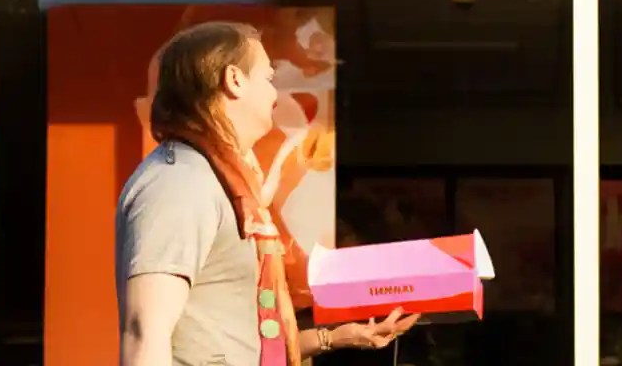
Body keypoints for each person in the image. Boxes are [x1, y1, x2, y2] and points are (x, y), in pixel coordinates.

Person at [116, 20, 418, 366]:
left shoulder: (219, 183)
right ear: (234, 79)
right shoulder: (180, 182)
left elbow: (238, 340)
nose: (276, 93)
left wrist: (336, 337)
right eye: (268, 78)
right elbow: (145, 334)